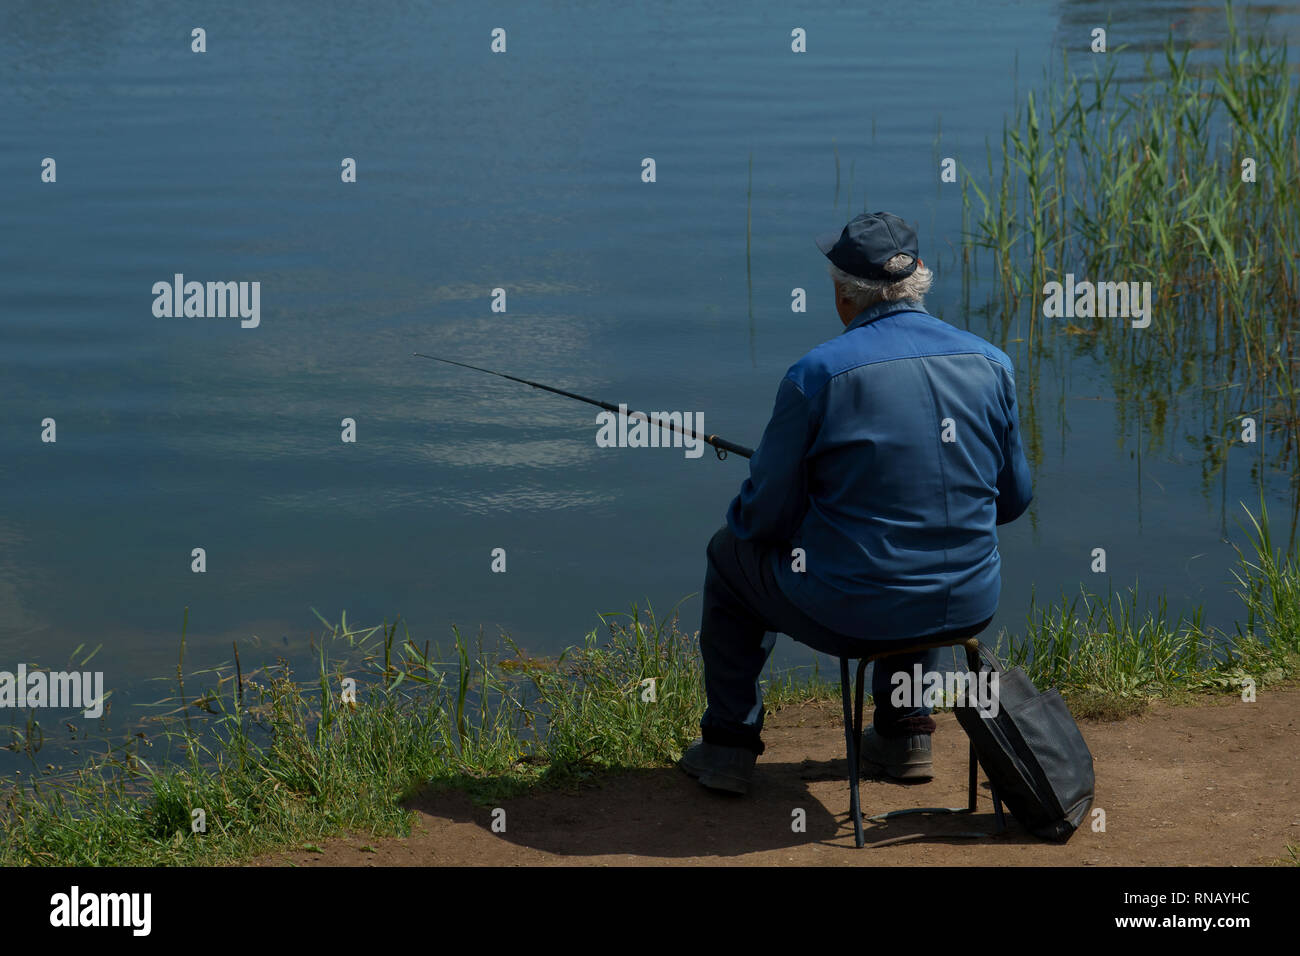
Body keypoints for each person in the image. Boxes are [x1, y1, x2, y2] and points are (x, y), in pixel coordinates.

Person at [679, 211, 1032, 794]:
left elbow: (762, 516)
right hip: (970, 601)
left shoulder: (815, 376)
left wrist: (785, 513)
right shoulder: (992, 363)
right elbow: (1014, 500)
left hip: (858, 610)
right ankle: (905, 734)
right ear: (920, 276)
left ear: (844, 294)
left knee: (728, 554)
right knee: (915, 550)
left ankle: (728, 747)